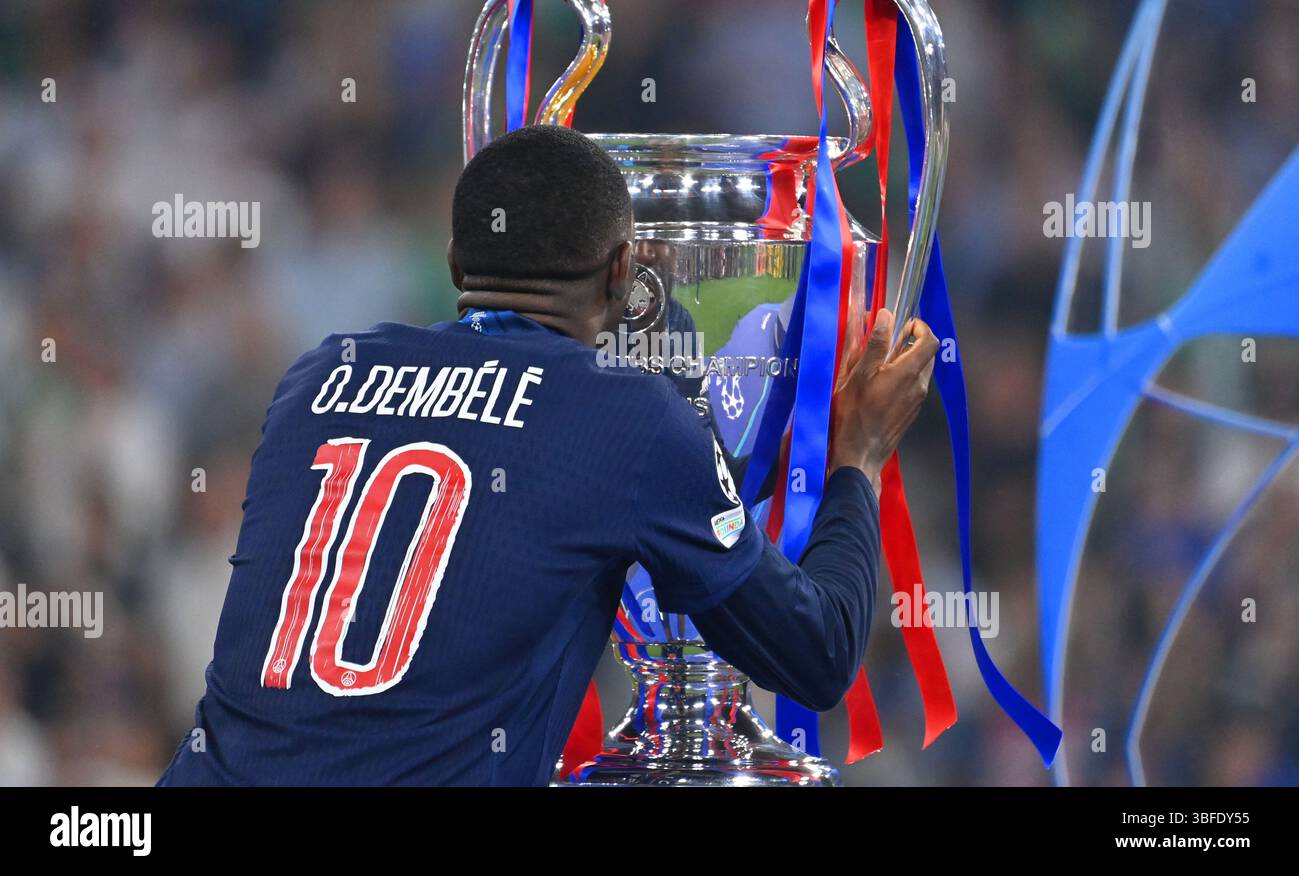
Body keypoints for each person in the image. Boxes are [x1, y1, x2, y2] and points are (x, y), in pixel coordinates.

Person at [158, 124, 939, 786]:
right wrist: (857, 460)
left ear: (458, 267)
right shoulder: (626, 417)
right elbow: (820, 654)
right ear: (622, 275)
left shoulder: (322, 372)